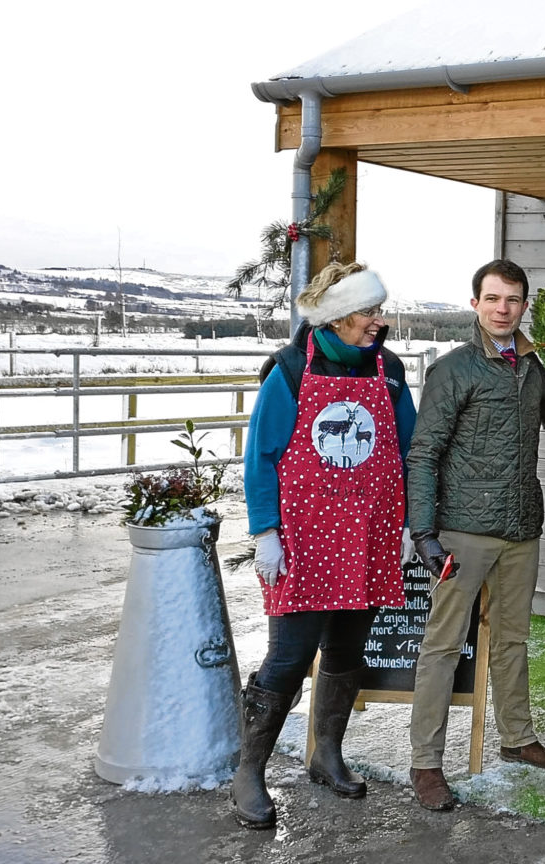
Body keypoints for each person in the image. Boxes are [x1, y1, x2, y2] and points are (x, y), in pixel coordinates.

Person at [404, 258, 545, 811]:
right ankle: (426, 764)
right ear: (475, 303)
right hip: (462, 532)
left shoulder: (529, 365)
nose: (504, 309)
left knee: (513, 641)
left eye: (513, 299)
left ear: (524, 304)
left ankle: (518, 739)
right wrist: (424, 534)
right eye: (493, 299)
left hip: (522, 526)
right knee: (443, 646)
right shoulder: (454, 371)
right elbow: (424, 452)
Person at [235, 261, 418, 830]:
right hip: (304, 543)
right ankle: (249, 771)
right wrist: (266, 532)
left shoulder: (387, 371)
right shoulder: (290, 371)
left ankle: (327, 753)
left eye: (377, 311)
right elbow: (260, 458)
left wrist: (411, 522)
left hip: (367, 539)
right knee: (289, 657)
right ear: (337, 318)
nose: (377, 323)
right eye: (368, 312)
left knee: (345, 652)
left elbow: (410, 451)